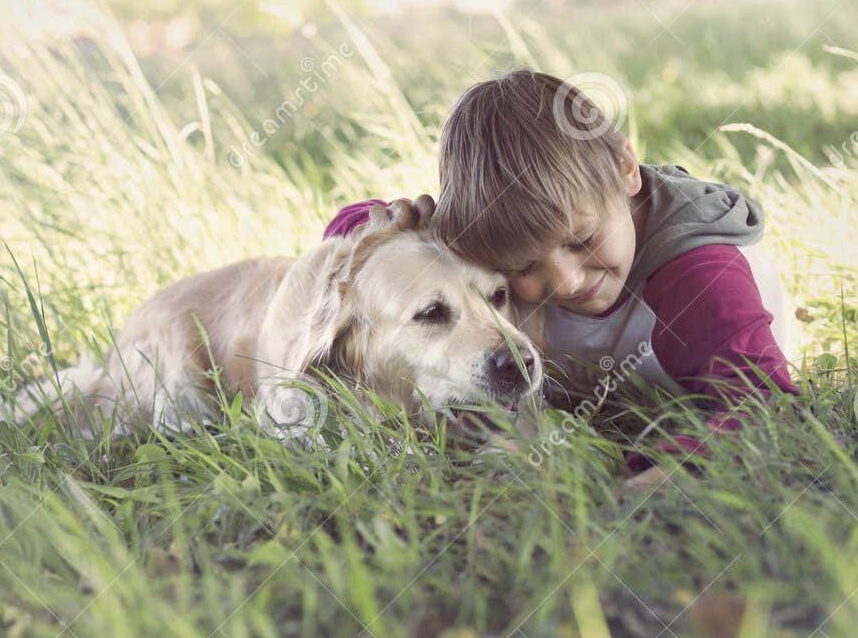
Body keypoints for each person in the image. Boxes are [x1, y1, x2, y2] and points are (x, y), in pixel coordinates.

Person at [323, 69, 797, 469]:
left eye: (582, 242)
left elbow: (763, 404)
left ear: (626, 169)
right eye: (525, 266)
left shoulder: (699, 275)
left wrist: (656, 472)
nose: (566, 281)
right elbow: (353, 227)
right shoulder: (499, 233)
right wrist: (381, 232)